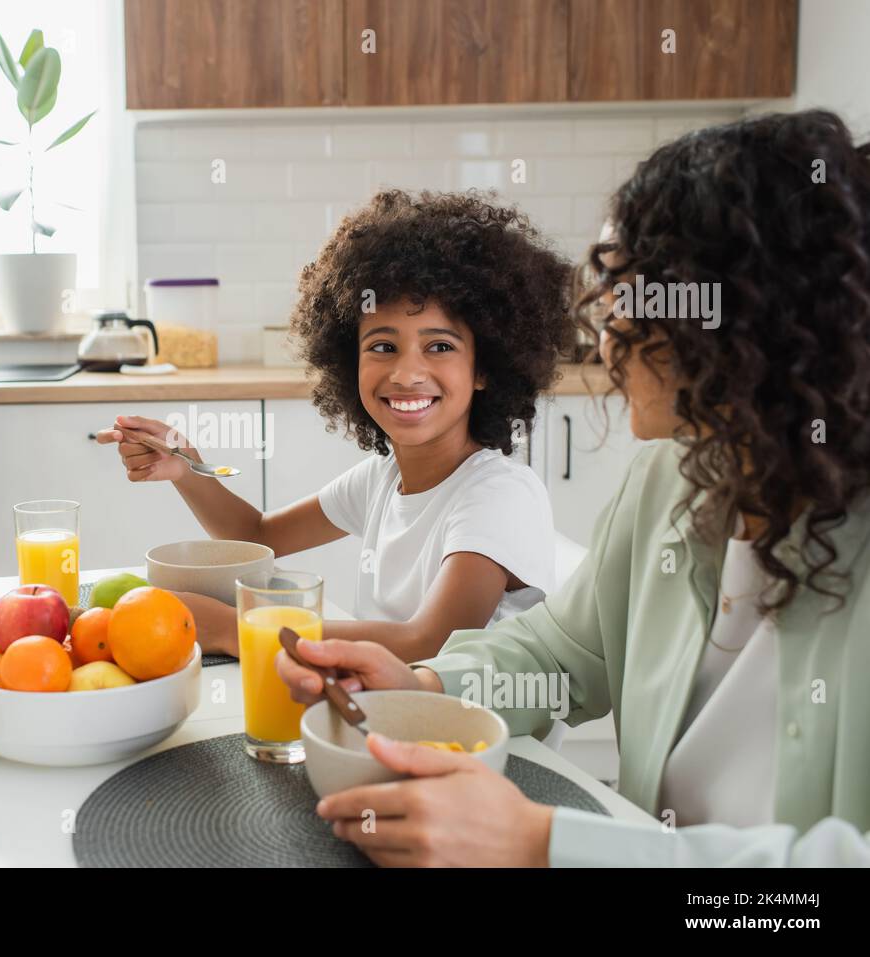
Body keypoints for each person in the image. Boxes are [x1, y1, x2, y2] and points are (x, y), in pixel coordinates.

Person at [276, 110, 870, 867]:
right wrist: (423, 681)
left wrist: (541, 843)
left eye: (635, 289)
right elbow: (562, 656)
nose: (609, 329)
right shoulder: (674, 480)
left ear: (754, 320)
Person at [100, 190, 574, 661]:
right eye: (383, 347)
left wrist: (237, 629)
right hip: (386, 714)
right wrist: (187, 468)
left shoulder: (497, 494)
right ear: (349, 363)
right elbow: (260, 535)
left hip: (471, 735)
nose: (407, 374)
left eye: (440, 347)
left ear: (485, 368)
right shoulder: (384, 477)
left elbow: (430, 643)